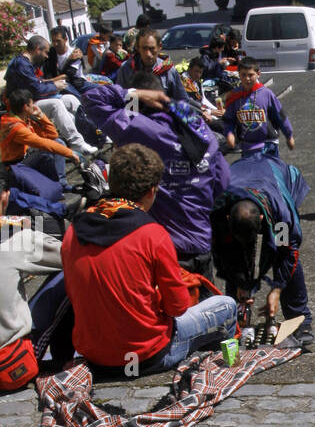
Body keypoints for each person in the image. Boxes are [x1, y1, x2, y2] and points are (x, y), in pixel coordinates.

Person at [61, 143, 237, 375]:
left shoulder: (73, 230)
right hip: (148, 356)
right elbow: (177, 307)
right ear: (152, 191)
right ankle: (227, 366)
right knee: (226, 305)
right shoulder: (152, 234)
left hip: (94, 357)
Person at [79, 73, 230, 278]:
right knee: (205, 306)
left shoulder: (140, 129)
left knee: (171, 307)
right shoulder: (196, 124)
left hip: (165, 247)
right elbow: (222, 180)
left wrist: (133, 94)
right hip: (201, 241)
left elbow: (92, 99)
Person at [210, 151, 313, 347]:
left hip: (276, 178)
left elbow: (288, 253)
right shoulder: (219, 208)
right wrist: (239, 282)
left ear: (261, 220)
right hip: (242, 177)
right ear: (228, 219)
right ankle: (237, 317)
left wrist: (276, 290)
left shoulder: (281, 216)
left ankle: (301, 319)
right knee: (235, 254)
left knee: (282, 254)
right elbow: (222, 253)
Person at [0, 172, 64, 391]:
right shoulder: (14, 238)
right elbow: (70, 257)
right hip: (11, 363)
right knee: (69, 273)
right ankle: (63, 354)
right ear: (5, 197)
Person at [4, 36, 97, 156]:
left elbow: (37, 84)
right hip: (22, 107)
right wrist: (55, 86)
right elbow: (37, 90)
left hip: (32, 100)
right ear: (38, 49)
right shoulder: (22, 65)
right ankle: (76, 143)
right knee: (55, 104)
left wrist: (54, 82)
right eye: (46, 52)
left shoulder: (26, 63)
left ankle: (91, 133)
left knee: (70, 99)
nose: (47, 56)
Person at [0, 90, 77, 185]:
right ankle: (57, 185)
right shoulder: (15, 127)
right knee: (46, 154)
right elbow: (41, 142)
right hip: (15, 166)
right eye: (32, 104)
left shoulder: (25, 119)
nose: (34, 106)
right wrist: (70, 153)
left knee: (58, 141)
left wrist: (41, 115)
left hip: (27, 157)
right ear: (26, 107)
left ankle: (61, 182)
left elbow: (52, 135)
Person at [222, 59, 294, 154]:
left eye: (250, 75)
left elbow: (280, 116)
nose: (247, 78)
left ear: (258, 74)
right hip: (247, 145)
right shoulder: (234, 96)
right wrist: (229, 133)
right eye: (243, 75)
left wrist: (289, 135)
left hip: (268, 144)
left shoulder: (266, 94)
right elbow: (228, 119)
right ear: (239, 74)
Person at [115, 29, 186, 102]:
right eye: (144, 48)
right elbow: (118, 98)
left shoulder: (169, 71)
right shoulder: (126, 69)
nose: (148, 54)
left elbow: (182, 101)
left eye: (152, 49)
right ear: (137, 47)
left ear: (159, 46)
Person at [180, 57, 226, 128]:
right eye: (196, 71)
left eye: (200, 72)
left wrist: (218, 110)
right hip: (192, 114)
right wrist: (210, 112)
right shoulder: (182, 82)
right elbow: (189, 103)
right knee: (221, 126)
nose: (198, 75)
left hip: (203, 111)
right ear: (189, 69)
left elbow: (203, 100)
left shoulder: (196, 83)